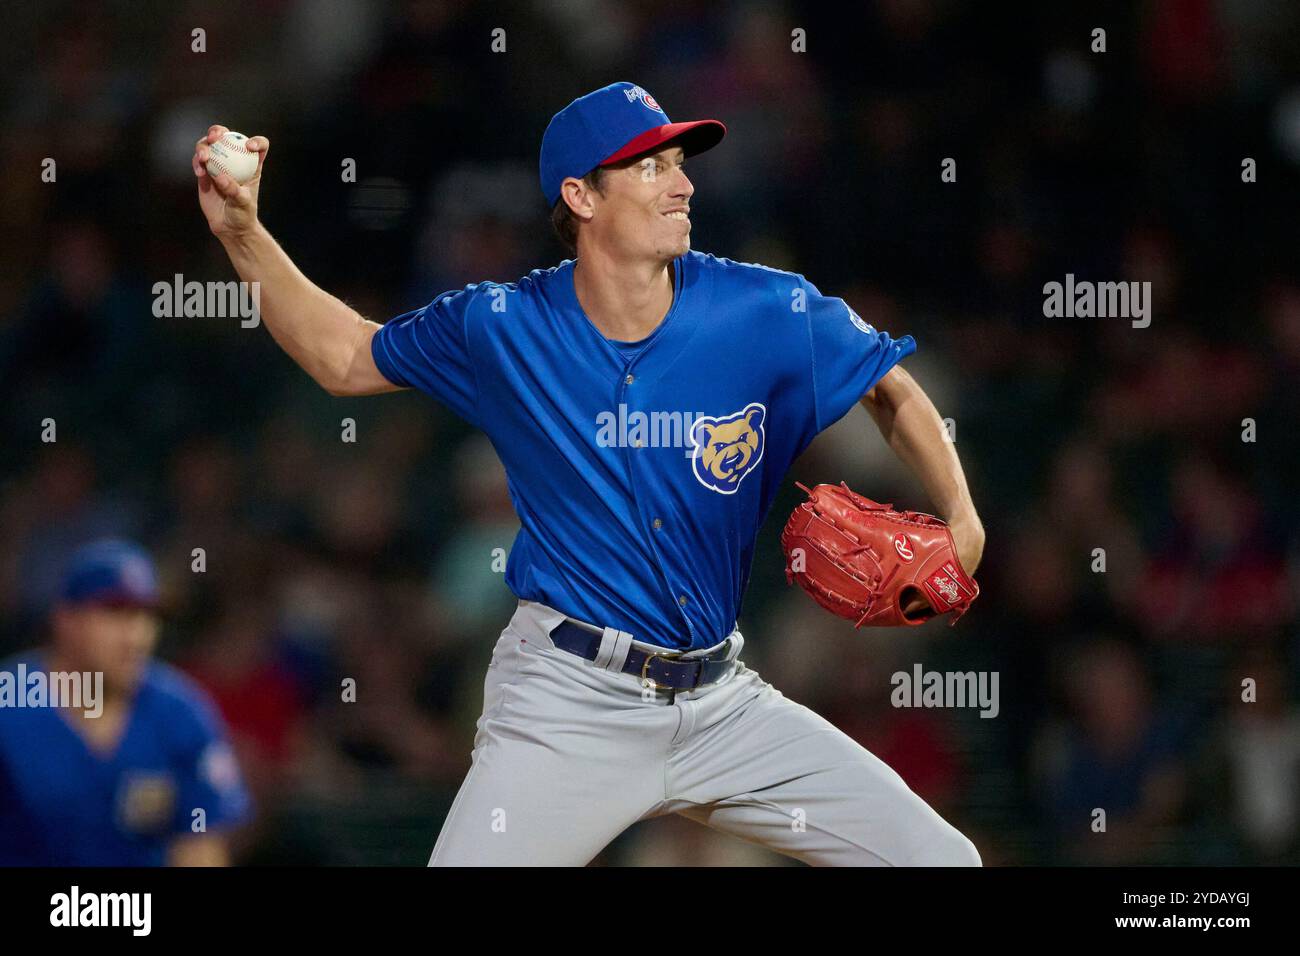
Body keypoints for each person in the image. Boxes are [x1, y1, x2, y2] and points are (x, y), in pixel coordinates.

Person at [192, 81, 985, 866]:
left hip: (721, 701)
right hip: (568, 702)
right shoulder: (504, 326)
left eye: (679, 162)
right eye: (650, 166)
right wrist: (243, 235)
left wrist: (962, 516)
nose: (683, 183)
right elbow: (342, 356)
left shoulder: (760, 310)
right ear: (580, 195)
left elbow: (890, 385)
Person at [0, 539, 251, 865]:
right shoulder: (9, 701)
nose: (136, 635)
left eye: (146, 615)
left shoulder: (179, 712)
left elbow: (200, 849)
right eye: (115, 612)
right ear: (66, 620)